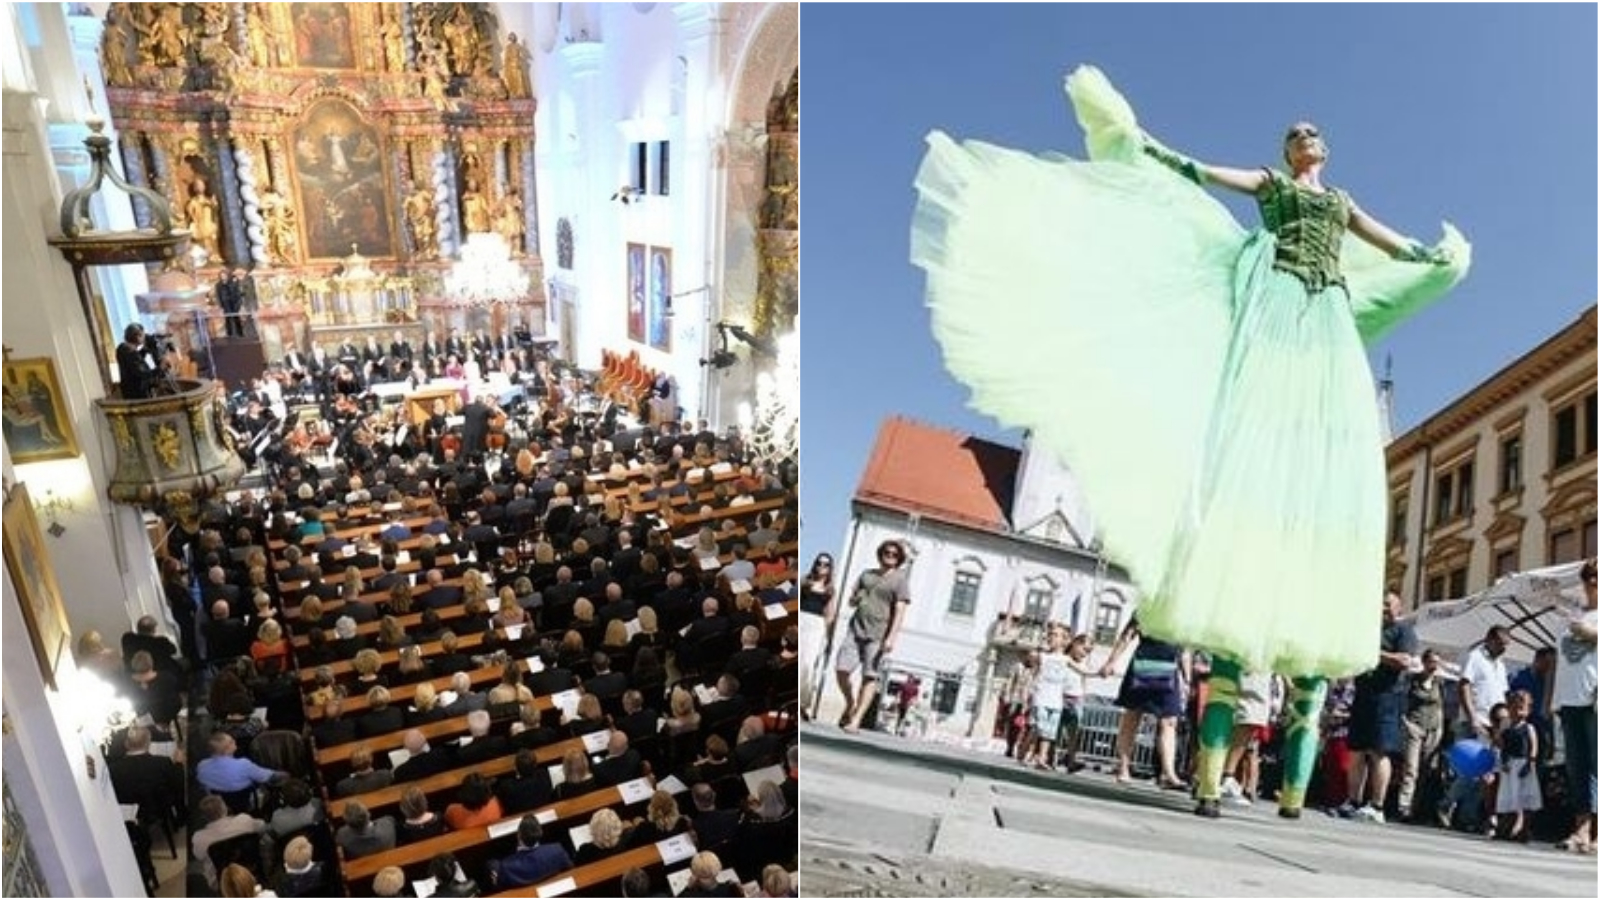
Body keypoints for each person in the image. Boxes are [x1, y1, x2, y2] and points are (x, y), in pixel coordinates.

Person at [912, 66, 1466, 822]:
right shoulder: (1272, 184)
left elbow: (1391, 243)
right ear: (1288, 150)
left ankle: (1291, 796)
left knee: (1323, 431)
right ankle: (1207, 782)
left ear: (1325, 151)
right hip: (1273, 306)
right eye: (1296, 134)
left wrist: (1433, 258)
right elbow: (1204, 174)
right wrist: (1156, 153)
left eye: (1313, 134)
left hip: (1324, 321)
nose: (1306, 138)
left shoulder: (1341, 202)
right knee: (1253, 423)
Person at [1334, 591, 1418, 824]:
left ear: (1399, 608)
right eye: (1381, 604)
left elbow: (1404, 661)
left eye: (1388, 605)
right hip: (1363, 695)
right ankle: (1352, 801)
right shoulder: (1370, 630)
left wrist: (1374, 653)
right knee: (1356, 750)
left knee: (1379, 751)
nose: (1383, 608)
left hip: (1387, 698)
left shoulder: (1404, 631)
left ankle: (1377, 806)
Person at [1101, 616, 1189, 791]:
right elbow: (1127, 635)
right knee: (1132, 716)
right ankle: (1123, 767)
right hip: (1144, 661)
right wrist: (1111, 662)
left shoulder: (1184, 611)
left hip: (1169, 666)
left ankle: (1169, 773)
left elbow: (1185, 649)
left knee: (1170, 721)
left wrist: (1187, 678)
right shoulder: (1145, 607)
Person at [835, 539, 911, 733]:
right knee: (841, 670)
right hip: (855, 629)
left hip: (878, 635)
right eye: (887, 552)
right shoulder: (867, 575)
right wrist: (855, 598)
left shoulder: (900, 581)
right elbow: (851, 601)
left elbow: (900, 611)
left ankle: (856, 720)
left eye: (894, 554)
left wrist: (891, 638)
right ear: (880, 554)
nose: (890, 556)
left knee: (869, 677)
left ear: (899, 558)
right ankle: (850, 702)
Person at [1553, 559, 1597, 854]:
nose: (1592, 581)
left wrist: (1590, 634)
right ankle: (1581, 829)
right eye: (1588, 576)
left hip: (1594, 698)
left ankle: (1595, 832)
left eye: (1597, 576)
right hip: (1569, 699)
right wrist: (1554, 699)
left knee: (1597, 765)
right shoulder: (1574, 615)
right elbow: (1561, 661)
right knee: (1576, 767)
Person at [1494, 689, 1541, 842]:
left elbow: (1533, 747)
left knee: (1524, 797)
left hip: (1523, 765)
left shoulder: (1529, 728)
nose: (1517, 711)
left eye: (1522, 708)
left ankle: (1524, 829)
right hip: (1509, 765)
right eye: (1514, 708)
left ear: (1528, 710)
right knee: (1509, 795)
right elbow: (1501, 745)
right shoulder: (1506, 727)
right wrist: (1503, 761)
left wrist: (1530, 762)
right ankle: (1506, 825)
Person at [117, 323, 158, 399]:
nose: (144, 338)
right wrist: (160, 368)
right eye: (143, 335)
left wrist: (143, 351)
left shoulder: (122, 348)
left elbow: (133, 362)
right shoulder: (129, 351)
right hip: (137, 394)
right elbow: (141, 373)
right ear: (137, 336)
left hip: (130, 392)